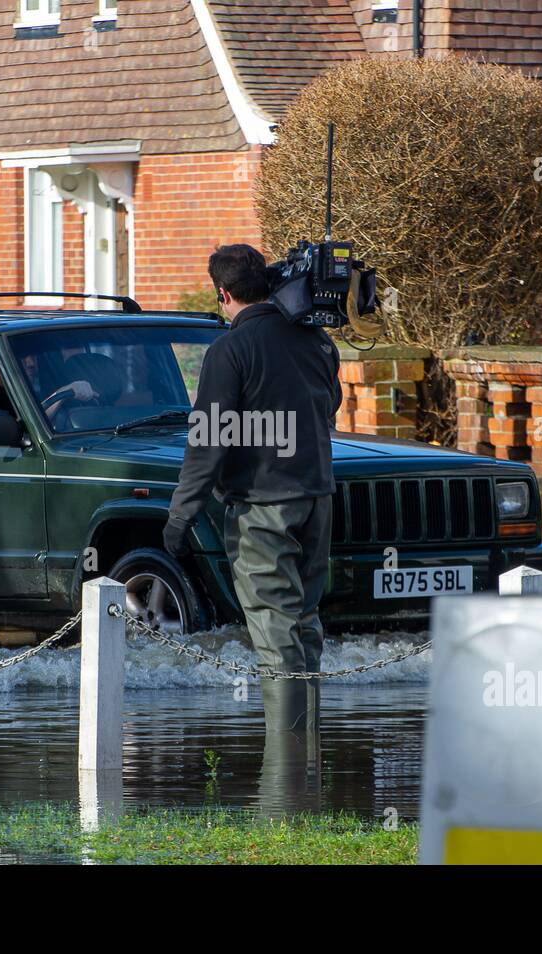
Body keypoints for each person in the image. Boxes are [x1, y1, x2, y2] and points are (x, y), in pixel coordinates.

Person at [163, 244, 341, 731]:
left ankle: (286, 759)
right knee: (305, 617)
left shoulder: (230, 350)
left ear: (223, 294)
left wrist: (181, 515)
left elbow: (208, 442)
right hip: (317, 496)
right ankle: (307, 744)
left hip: (263, 506)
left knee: (273, 619)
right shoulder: (315, 340)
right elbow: (329, 407)